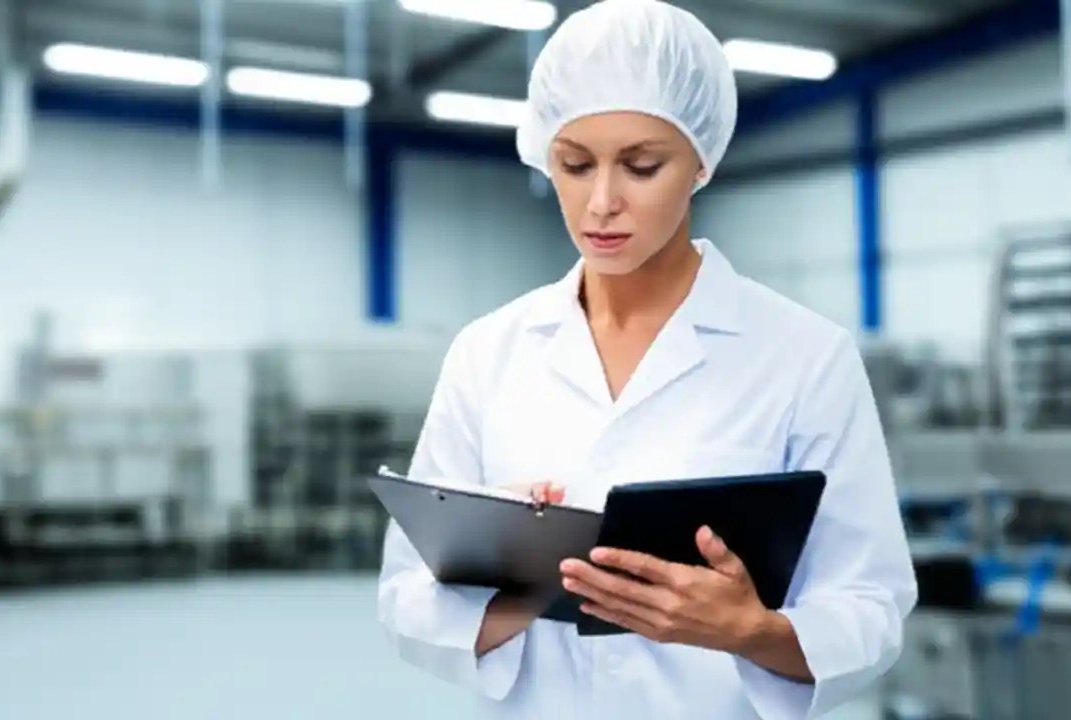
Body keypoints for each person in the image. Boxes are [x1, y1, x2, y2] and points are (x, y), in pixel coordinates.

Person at [377, 0, 917, 717]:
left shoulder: (805, 357)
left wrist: (750, 631)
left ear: (700, 162)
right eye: (573, 165)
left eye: (640, 165)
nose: (601, 202)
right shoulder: (489, 352)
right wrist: (518, 579)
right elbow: (406, 590)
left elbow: (871, 603)